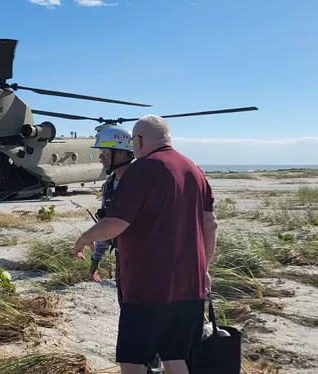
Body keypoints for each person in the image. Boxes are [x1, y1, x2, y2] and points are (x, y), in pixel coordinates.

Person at [72, 115, 218, 374]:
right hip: (191, 284)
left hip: (148, 285)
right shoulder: (195, 169)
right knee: (176, 356)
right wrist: (203, 269)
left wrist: (85, 237)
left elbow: (117, 222)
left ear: (138, 141)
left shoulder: (142, 169)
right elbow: (211, 225)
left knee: (132, 360)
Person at [87, 125, 135, 288]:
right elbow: (108, 225)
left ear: (121, 153)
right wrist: (95, 260)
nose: (101, 157)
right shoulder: (108, 186)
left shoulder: (141, 184)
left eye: (105, 152)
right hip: (122, 256)